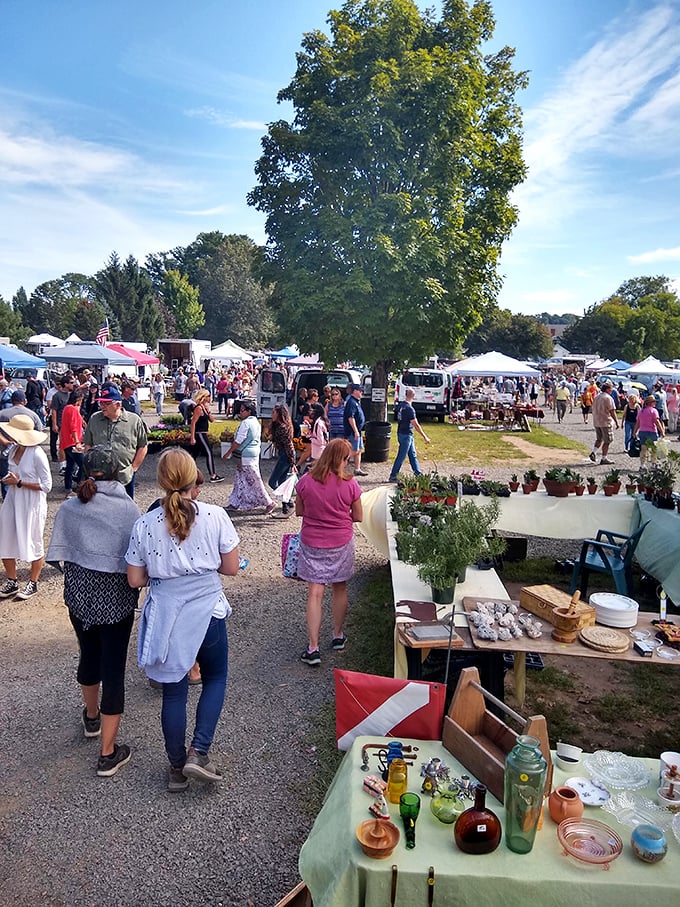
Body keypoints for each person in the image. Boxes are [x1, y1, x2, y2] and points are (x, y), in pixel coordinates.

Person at [126, 448, 240, 790]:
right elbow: (231, 567)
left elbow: (134, 579)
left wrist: (163, 576)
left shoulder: (144, 524)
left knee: (174, 692)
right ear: (194, 479)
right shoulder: (215, 515)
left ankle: (177, 768)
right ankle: (199, 751)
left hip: (167, 613)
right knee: (215, 677)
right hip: (207, 610)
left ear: (160, 480)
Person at [46, 446, 140, 777]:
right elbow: (135, 558)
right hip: (117, 601)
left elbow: (61, 557)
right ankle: (108, 753)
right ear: (118, 471)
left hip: (79, 599)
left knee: (88, 656)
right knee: (113, 669)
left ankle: (91, 717)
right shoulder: (128, 509)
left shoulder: (71, 507)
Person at [295, 439, 362, 665]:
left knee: (315, 592)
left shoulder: (305, 481)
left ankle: (313, 648)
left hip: (312, 541)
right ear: (342, 460)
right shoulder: (350, 484)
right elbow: (359, 516)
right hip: (340, 542)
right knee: (340, 587)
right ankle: (337, 635)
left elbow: (300, 511)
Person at [0, 414, 52, 600]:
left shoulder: (37, 454)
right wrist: (9, 480)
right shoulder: (14, 450)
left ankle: (34, 582)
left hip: (31, 503)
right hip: (13, 499)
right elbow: (13, 474)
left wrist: (20, 482)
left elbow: (47, 486)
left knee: (33, 540)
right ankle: (12, 580)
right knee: (5, 538)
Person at [83, 382, 148, 499]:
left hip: (125, 475)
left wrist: (134, 468)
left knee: (126, 509)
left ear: (118, 405)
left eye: (106, 403)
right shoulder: (95, 419)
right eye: (100, 402)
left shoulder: (134, 420)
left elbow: (142, 446)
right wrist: (90, 468)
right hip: (100, 477)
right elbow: (88, 444)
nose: (102, 406)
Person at [222, 399, 275, 513]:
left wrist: (228, 452)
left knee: (254, 481)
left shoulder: (246, 423)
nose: (240, 413)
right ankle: (235, 503)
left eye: (242, 410)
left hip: (245, 455)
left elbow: (239, 441)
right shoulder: (255, 422)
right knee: (240, 480)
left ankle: (269, 502)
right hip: (253, 453)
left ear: (249, 411)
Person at [388, 387, 430, 482]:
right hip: (406, 434)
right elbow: (416, 425)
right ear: (413, 396)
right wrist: (425, 436)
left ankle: (418, 474)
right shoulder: (410, 409)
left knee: (412, 455)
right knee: (401, 456)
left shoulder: (401, 406)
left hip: (402, 432)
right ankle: (393, 475)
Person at [268, 403, 297, 517]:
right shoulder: (280, 426)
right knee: (282, 482)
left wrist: (292, 463)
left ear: (279, 414)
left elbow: (288, 446)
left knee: (272, 482)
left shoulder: (282, 428)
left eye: (274, 413)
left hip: (286, 456)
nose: (272, 415)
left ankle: (288, 502)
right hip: (284, 454)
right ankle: (285, 508)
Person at [190, 389, 223, 483]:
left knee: (194, 455)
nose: (210, 398)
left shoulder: (204, 407)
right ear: (204, 397)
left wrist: (208, 412)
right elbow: (193, 423)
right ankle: (213, 475)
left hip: (203, 432)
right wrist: (192, 437)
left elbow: (212, 420)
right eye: (208, 396)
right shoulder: (198, 408)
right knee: (208, 452)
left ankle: (186, 471)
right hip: (199, 433)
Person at [59, 387, 87, 496]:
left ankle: (68, 488)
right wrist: (77, 442)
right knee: (83, 465)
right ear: (79, 399)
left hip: (66, 441)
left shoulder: (67, 408)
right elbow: (73, 427)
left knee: (70, 466)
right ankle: (80, 486)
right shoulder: (74, 409)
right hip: (72, 442)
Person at [588, 379, 619, 465]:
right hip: (605, 421)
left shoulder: (597, 397)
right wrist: (616, 422)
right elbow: (612, 411)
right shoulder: (608, 398)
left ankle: (594, 452)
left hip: (597, 421)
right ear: (607, 389)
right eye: (611, 388)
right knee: (607, 440)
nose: (612, 390)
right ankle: (604, 458)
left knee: (599, 439)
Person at [343, 383, 368, 476]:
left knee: (360, 449)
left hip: (358, 430)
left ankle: (357, 469)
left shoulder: (356, 401)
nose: (362, 392)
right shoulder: (351, 402)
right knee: (354, 450)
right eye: (360, 390)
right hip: (352, 431)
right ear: (355, 391)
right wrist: (355, 431)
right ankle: (339, 463)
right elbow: (350, 417)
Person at [634, 395, 665, 463]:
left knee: (643, 449)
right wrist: (662, 431)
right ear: (650, 403)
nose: (655, 403)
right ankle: (653, 463)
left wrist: (635, 432)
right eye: (654, 402)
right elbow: (657, 422)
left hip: (642, 432)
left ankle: (642, 464)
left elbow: (637, 423)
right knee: (653, 449)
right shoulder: (654, 411)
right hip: (652, 432)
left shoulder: (641, 411)